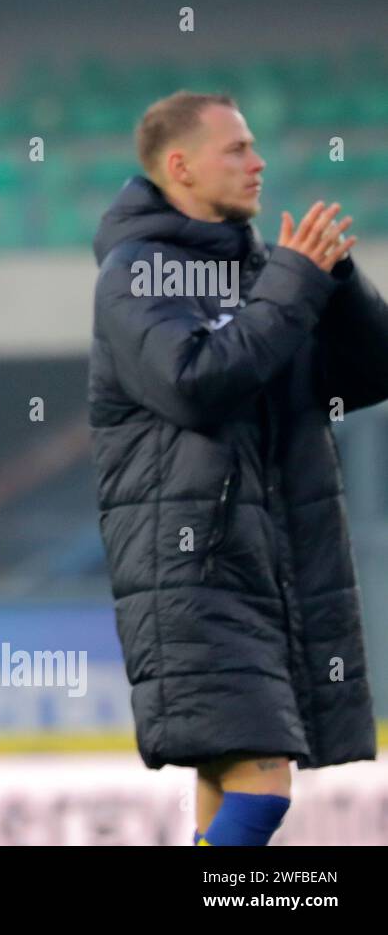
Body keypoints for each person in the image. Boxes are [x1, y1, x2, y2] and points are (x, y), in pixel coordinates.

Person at [89, 90, 385, 846]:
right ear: (181, 166)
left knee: (227, 779)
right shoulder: (138, 271)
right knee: (262, 777)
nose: (258, 163)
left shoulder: (262, 270)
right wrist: (292, 283)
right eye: (238, 149)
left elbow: (364, 377)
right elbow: (195, 383)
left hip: (271, 559)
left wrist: (336, 284)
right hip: (194, 567)